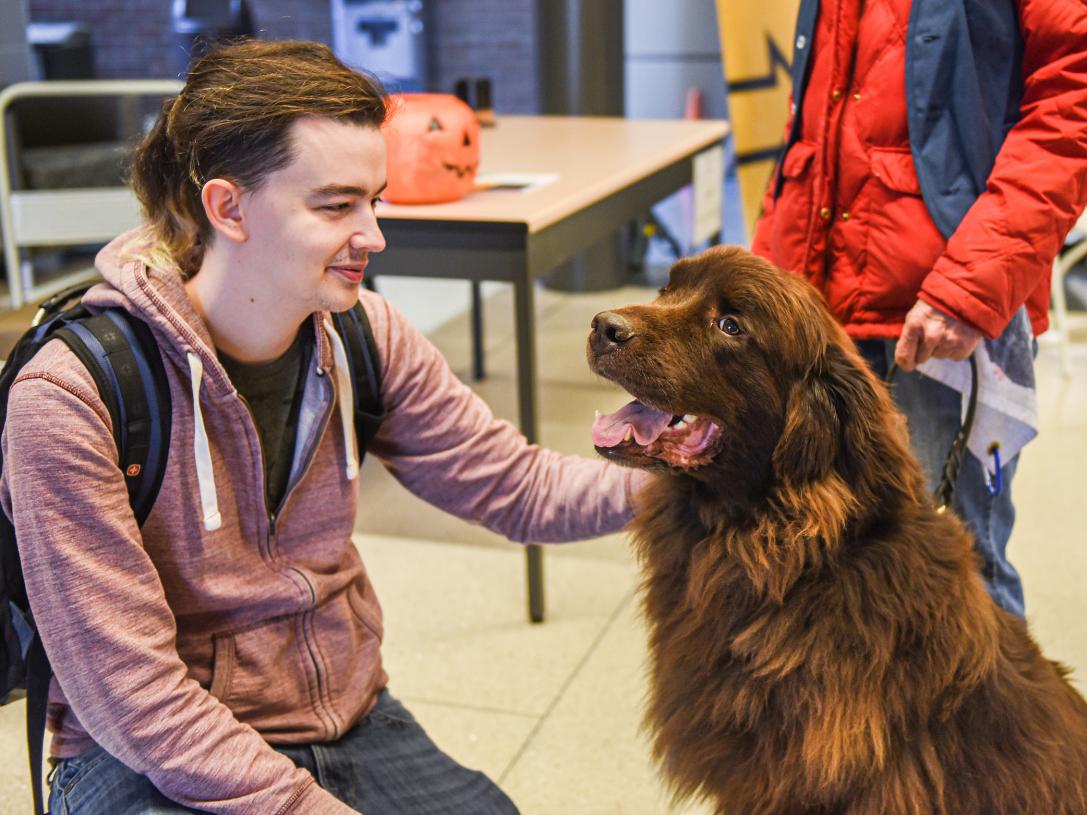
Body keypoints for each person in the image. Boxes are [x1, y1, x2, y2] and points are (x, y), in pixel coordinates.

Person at [0, 40, 643, 814]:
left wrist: (688, 467)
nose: (372, 234)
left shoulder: (365, 335)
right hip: (139, 753)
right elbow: (132, 694)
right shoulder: (75, 394)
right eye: (336, 206)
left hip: (342, 717)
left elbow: (517, 486)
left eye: (375, 199)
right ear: (227, 207)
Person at [751, 0, 1087, 617]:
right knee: (816, 573)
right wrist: (769, 267)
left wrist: (970, 286)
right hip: (816, 312)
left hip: (940, 319)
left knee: (952, 584)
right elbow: (821, 112)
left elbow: (1073, 98)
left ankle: (992, 721)